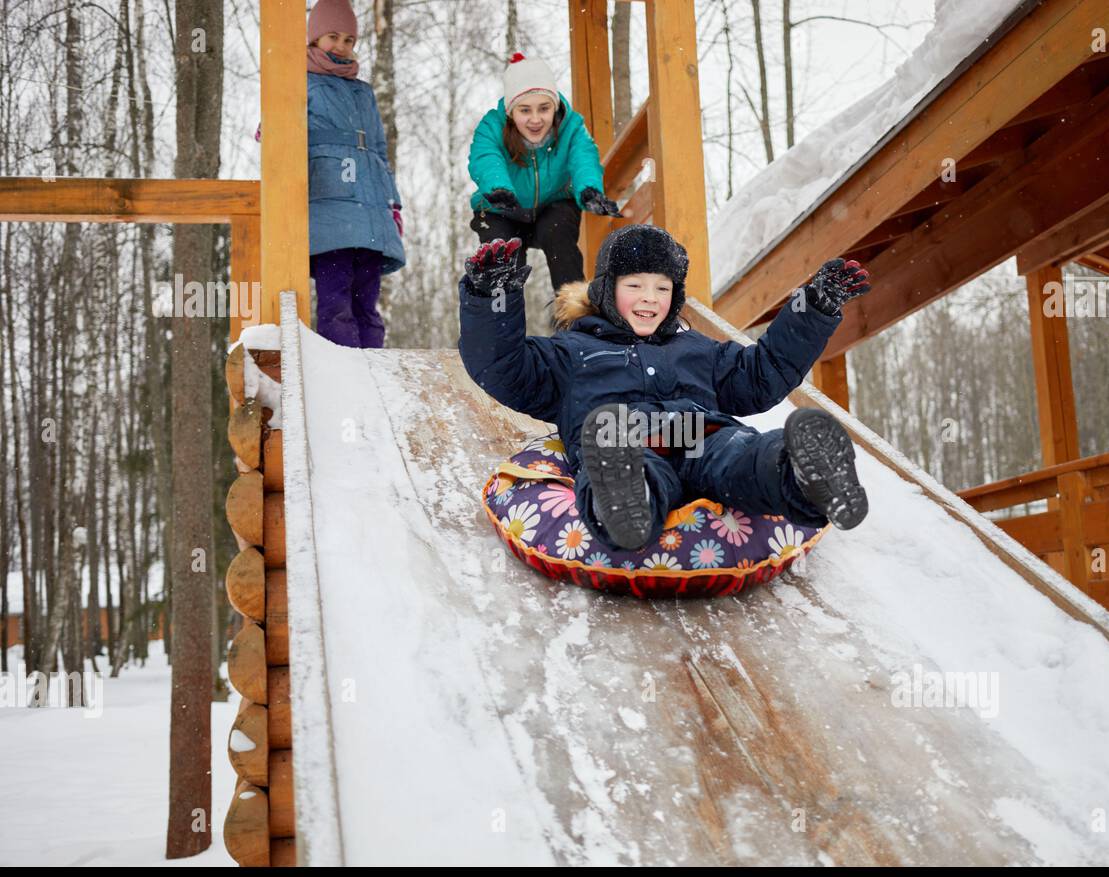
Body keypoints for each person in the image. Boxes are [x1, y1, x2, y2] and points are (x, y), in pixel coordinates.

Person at [457, 224, 872, 553]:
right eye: (634, 285)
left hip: (700, 437)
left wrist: (813, 308)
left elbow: (762, 373)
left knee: (742, 454)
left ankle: (800, 474)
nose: (649, 298)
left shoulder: (696, 349)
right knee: (632, 462)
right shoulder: (572, 352)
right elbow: (503, 366)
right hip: (620, 438)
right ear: (605, 290)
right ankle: (622, 498)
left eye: (662, 288)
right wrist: (490, 295)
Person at [467, 53, 623, 292]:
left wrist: (589, 190)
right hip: (502, 207)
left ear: (555, 106)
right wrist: (498, 187)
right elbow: (486, 158)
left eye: (544, 108)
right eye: (525, 110)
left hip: (553, 205)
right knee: (502, 258)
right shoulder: (492, 127)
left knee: (560, 238)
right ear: (511, 111)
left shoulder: (571, 127)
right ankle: (501, 316)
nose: (536, 119)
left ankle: (573, 317)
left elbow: (584, 157)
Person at [304, 0, 405, 348]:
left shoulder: (363, 92)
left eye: (348, 39)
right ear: (314, 39)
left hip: (371, 212)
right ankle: (341, 370)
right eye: (332, 36)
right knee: (335, 302)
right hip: (330, 210)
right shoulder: (302, 83)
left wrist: (394, 204)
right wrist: (268, 131)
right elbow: (281, 124)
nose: (341, 46)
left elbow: (379, 150)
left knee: (368, 304)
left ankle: (372, 371)